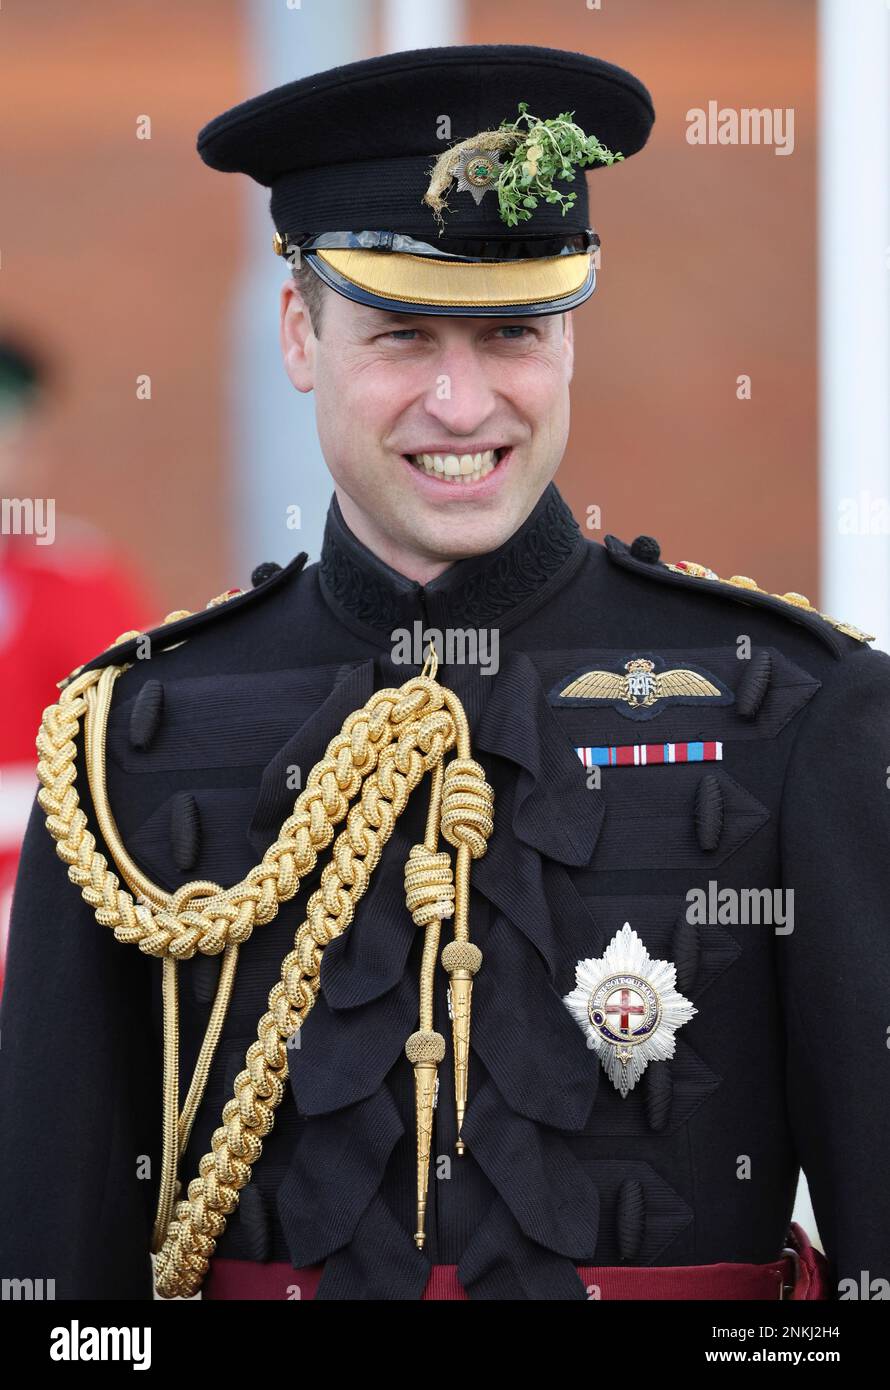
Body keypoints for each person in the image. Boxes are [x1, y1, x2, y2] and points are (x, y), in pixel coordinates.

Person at [1, 43, 888, 1303]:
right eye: (403, 335)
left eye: (512, 332)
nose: (461, 403)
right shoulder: (128, 738)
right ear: (300, 331)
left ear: (570, 340)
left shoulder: (795, 708)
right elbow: (54, 1292)